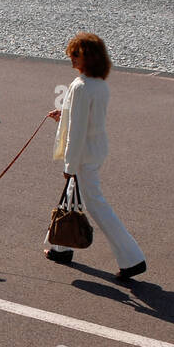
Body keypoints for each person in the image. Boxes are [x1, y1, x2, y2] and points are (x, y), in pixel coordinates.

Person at [44, 31, 147, 283]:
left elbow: (77, 131)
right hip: (96, 149)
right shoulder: (100, 84)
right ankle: (59, 247)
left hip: (82, 155)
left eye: (75, 55)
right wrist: (64, 114)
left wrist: (69, 164)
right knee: (71, 198)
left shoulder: (79, 86)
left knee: (95, 205)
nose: (71, 59)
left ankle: (132, 258)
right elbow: (85, 119)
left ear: (87, 57)